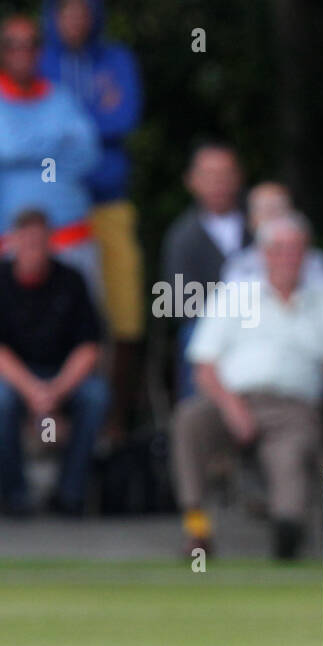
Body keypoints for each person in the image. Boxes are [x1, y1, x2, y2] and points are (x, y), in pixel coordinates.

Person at [171, 214, 323, 559]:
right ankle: (197, 530)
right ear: (263, 254)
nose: (288, 258)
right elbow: (203, 365)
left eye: (296, 250)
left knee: (292, 454)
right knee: (189, 419)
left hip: (294, 409)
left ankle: (286, 535)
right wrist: (233, 408)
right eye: (280, 250)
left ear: (307, 255)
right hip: (231, 400)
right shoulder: (236, 295)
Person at [40, 0, 144, 441]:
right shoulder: (40, 60)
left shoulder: (116, 58)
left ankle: (113, 425)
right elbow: (36, 127)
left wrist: (68, 126)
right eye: (67, 11)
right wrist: (84, 121)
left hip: (108, 201)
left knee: (124, 313)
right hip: (56, 208)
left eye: (84, 11)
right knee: (50, 312)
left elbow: (125, 116)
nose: (76, 20)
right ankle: (53, 425)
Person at [0, 209, 108, 517]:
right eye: (27, 241)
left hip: (64, 377)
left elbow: (89, 346)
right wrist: (33, 390)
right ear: (13, 242)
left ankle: (70, 494)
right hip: (16, 378)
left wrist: (56, 391)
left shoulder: (71, 281)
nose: (33, 248)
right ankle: (14, 495)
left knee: (96, 397)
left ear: (52, 242)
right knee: (2, 402)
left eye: (40, 241)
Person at [0, 14, 101, 291]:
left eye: (30, 44)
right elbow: (5, 145)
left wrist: (17, 154)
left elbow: (87, 155)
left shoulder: (62, 98)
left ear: (40, 51)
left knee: (86, 330)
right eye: (13, 44)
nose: (22, 52)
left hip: (71, 237)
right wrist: (53, 145)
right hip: (11, 247)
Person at [160, 141, 248, 401]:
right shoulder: (181, 237)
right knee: (193, 339)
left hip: (266, 323)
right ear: (192, 181)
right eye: (209, 176)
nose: (218, 183)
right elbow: (178, 304)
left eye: (225, 175)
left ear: (239, 177)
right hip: (210, 329)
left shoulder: (259, 225)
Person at [221, 182, 323, 286]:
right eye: (266, 210)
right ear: (251, 220)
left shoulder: (315, 261)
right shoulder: (239, 265)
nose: (273, 218)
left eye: (279, 209)